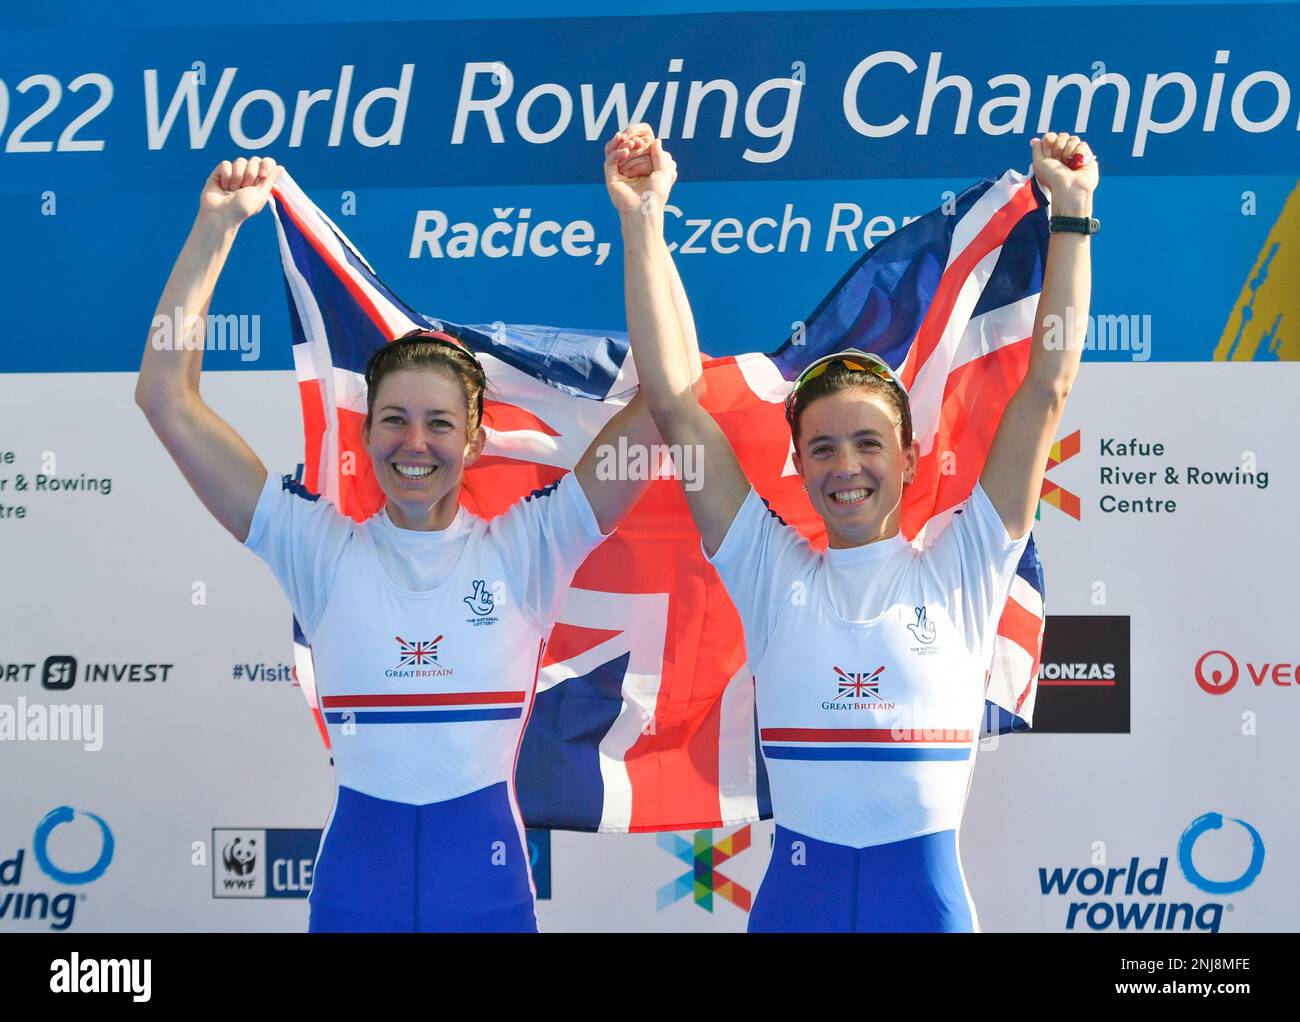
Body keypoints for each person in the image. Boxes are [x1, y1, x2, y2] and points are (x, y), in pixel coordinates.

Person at [135, 155, 702, 932]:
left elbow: (670, 397)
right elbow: (165, 399)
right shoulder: (315, 546)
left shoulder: (531, 545)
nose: (415, 443)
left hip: (488, 899)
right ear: (366, 435)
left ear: (473, 444)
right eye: (394, 419)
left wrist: (643, 221)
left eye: (439, 424)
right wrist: (213, 228)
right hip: (353, 899)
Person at [608, 125, 1097, 931]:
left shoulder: (966, 563)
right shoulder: (770, 570)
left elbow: (1048, 384)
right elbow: (674, 404)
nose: (847, 466)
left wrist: (1073, 214)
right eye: (824, 447)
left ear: (909, 460)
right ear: (796, 464)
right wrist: (643, 221)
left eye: (869, 444)